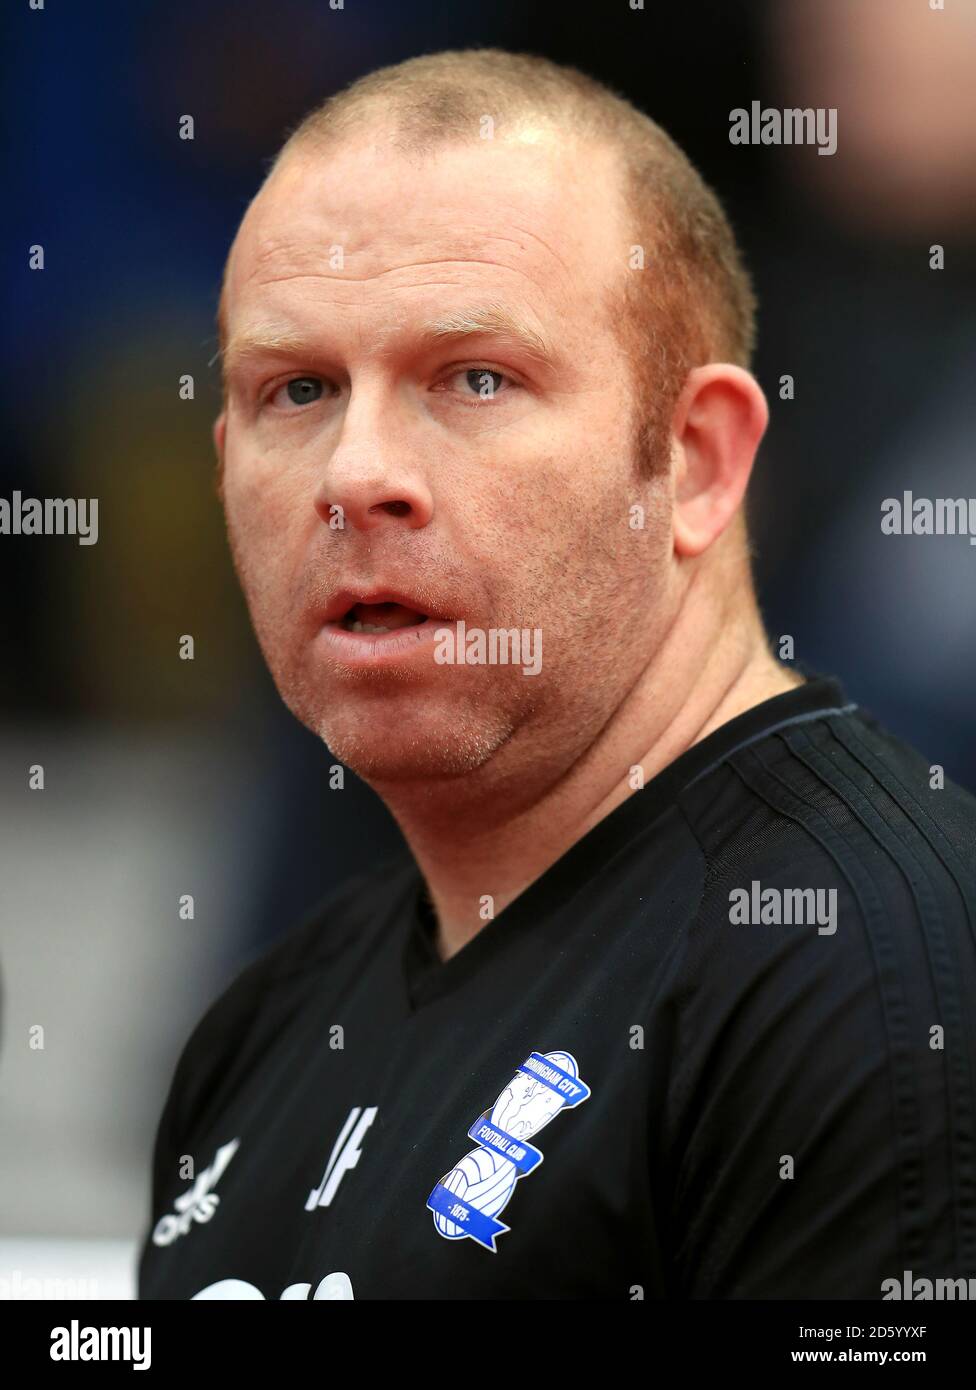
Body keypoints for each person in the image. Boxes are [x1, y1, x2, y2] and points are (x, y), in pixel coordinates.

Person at [138, 49, 976, 1300]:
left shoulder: (871, 969)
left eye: (476, 378)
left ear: (693, 464)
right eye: (297, 389)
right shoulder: (263, 1026)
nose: (356, 473)